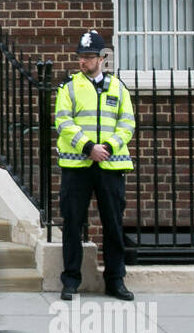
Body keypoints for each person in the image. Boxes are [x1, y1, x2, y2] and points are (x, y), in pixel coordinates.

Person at [54, 30, 136, 302]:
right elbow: (63, 122)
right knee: (73, 223)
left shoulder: (118, 88)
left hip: (111, 166)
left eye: (89, 57)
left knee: (113, 224)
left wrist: (108, 148)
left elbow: (127, 124)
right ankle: (70, 280)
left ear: (102, 58)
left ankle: (115, 280)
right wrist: (89, 147)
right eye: (81, 56)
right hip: (77, 165)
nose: (83, 61)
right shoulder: (69, 87)